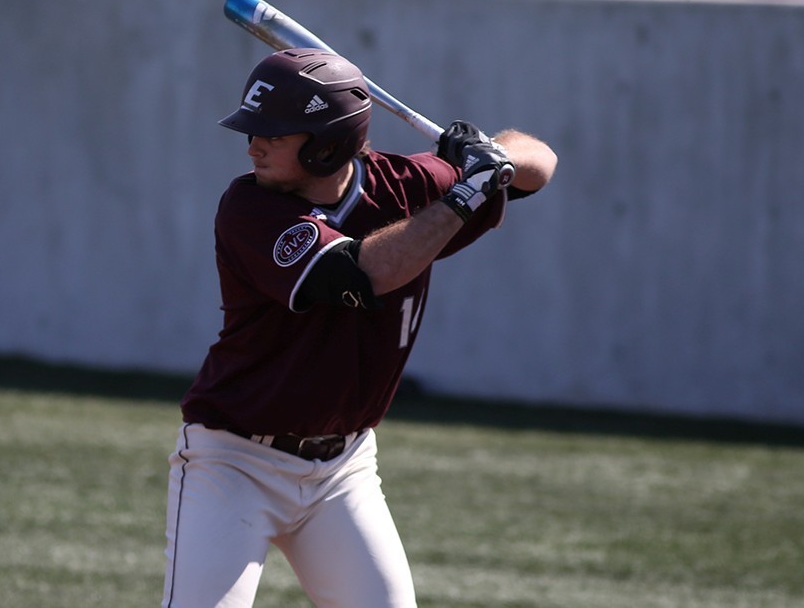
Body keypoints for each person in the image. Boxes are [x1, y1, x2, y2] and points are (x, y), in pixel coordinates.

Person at [162, 48, 557, 607]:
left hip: (342, 469)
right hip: (234, 462)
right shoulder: (248, 208)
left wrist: (494, 156)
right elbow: (364, 273)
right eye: (254, 131)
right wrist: (467, 193)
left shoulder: (409, 185)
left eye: (274, 134)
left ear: (327, 143)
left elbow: (539, 165)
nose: (253, 145)